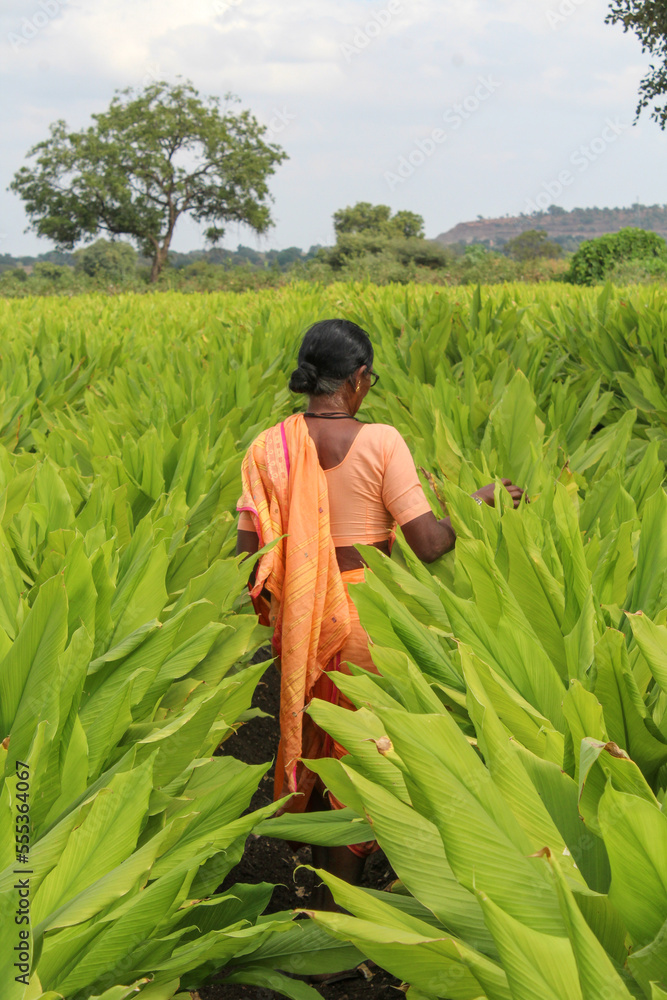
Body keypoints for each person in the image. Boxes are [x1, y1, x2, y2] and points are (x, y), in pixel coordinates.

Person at [236, 318, 523, 906]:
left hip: (300, 619)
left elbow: (251, 556)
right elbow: (429, 543)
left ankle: (318, 894)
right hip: (367, 614)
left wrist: (301, 585)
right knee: (364, 753)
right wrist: (481, 503)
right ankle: (343, 907)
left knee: (316, 738)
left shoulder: (270, 447)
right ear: (360, 379)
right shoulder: (381, 441)